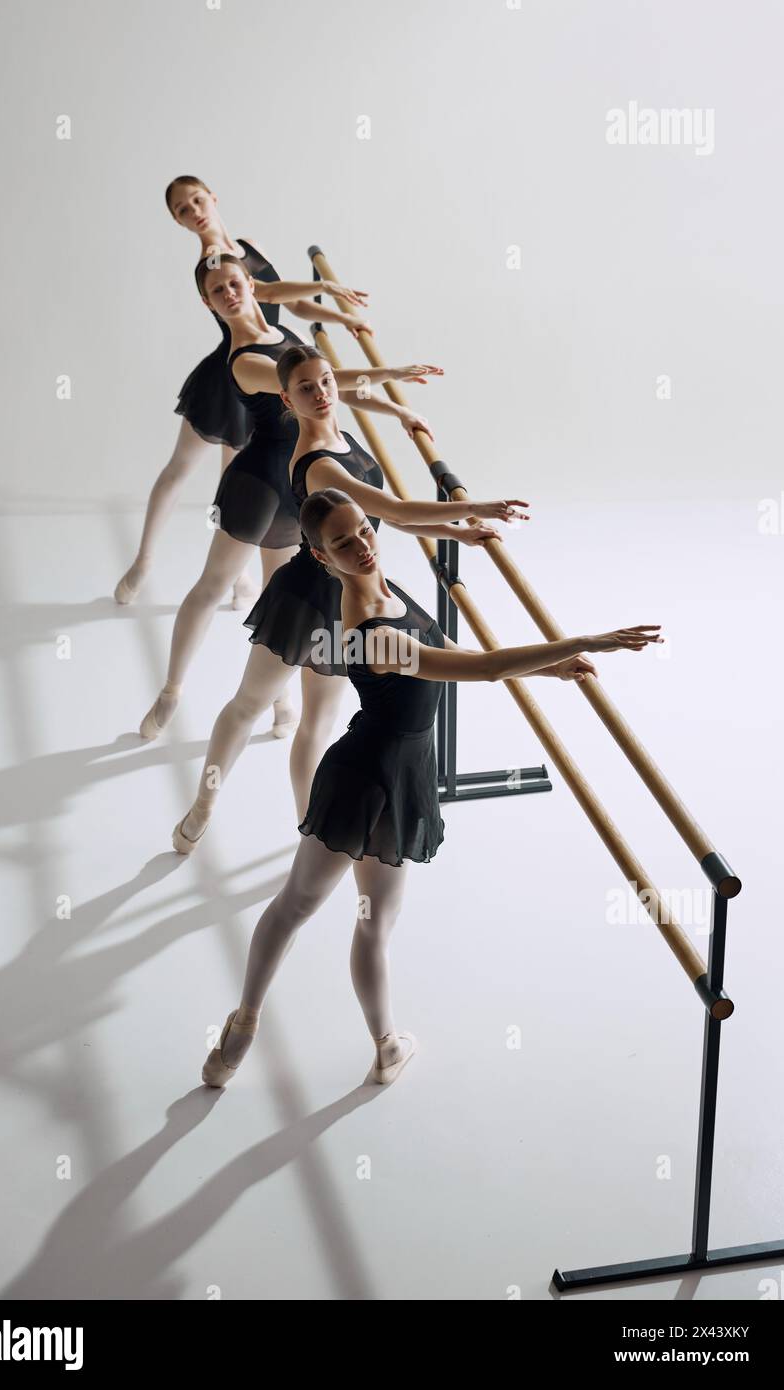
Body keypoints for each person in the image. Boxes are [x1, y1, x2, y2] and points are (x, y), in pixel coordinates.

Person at [201, 488, 663, 1089]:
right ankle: (270, 1025)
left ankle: (328, 1036)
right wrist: (582, 641)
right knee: (324, 911)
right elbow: (483, 670)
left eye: (364, 529)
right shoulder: (371, 629)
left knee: (329, 911)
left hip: (385, 774)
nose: (362, 545)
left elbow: (462, 656)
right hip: (369, 779)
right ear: (319, 557)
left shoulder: (384, 591)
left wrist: (551, 668)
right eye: (342, 542)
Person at [171, 340, 517, 852]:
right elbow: (392, 510)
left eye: (327, 382)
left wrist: (398, 400)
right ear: (286, 401)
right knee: (248, 705)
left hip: (352, 607)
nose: (322, 394)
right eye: (305, 389)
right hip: (304, 603)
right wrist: (471, 513)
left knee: (318, 724)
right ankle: (204, 804)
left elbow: (360, 402)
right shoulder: (317, 465)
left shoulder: (340, 430)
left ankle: (310, 834)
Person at [139, 254, 444, 746]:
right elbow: (323, 384)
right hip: (260, 481)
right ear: (209, 303)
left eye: (237, 284)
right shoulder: (244, 359)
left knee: (279, 588)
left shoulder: (287, 340)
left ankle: (278, 697)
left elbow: (330, 391)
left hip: (301, 490)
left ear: (252, 284)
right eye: (220, 291)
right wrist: (393, 371)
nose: (232, 294)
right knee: (214, 583)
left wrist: (395, 411)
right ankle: (173, 688)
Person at [114, 173, 369, 610]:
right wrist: (326, 286)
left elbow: (288, 303)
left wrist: (347, 319)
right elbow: (265, 290)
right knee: (183, 468)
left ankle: (239, 574)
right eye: (183, 210)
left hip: (274, 370)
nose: (194, 212)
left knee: (242, 473)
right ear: (179, 222)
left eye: (197, 200)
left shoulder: (248, 247)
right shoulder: (214, 262)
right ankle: (144, 560)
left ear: (212, 197)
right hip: (235, 375)